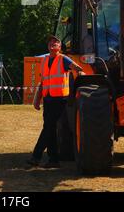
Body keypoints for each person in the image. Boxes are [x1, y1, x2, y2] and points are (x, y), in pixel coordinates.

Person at [27, 35, 85, 168]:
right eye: (50, 42)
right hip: (48, 99)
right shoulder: (45, 60)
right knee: (50, 128)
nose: (52, 44)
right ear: (48, 47)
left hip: (60, 100)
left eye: (56, 42)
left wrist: (81, 78)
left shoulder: (63, 59)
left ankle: (36, 156)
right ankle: (53, 160)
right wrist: (37, 99)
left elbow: (78, 68)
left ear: (60, 47)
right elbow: (43, 82)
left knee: (48, 127)